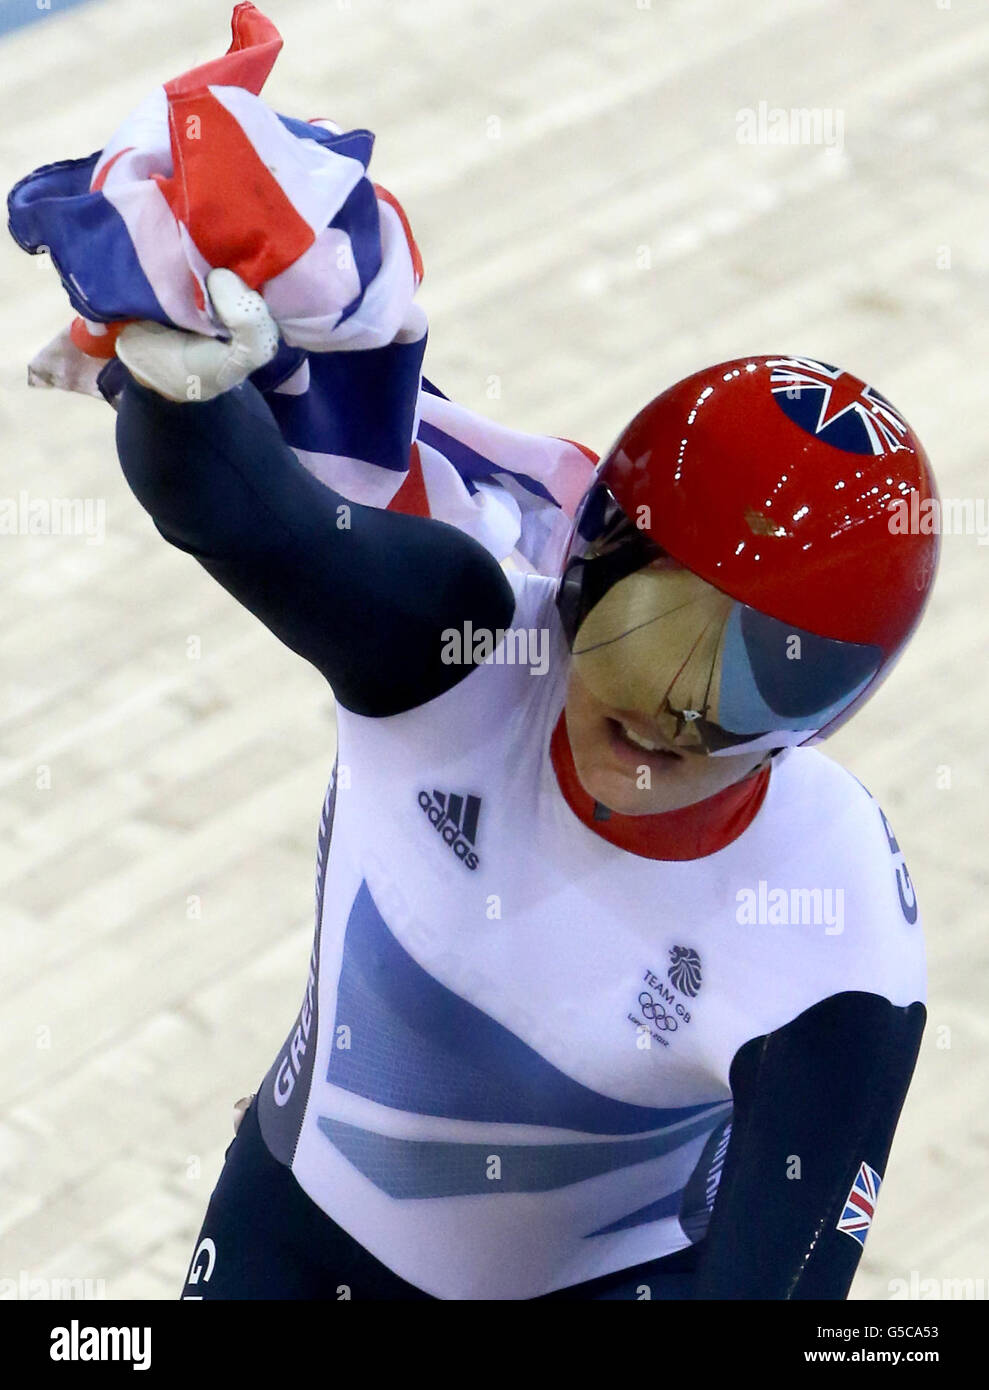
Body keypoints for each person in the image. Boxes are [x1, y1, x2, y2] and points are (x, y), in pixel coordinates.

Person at [110, 269, 937, 1301]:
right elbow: (242, 512)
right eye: (636, 633)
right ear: (583, 564)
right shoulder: (454, 643)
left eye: (749, 687)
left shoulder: (836, 937)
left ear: (828, 713)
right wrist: (175, 390)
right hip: (301, 1240)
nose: (658, 715)